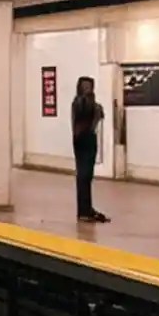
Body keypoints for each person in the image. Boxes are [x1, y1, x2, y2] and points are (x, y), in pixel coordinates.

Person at [71, 77, 110, 223]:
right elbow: (85, 113)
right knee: (83, 175)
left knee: (87, 176)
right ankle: (84, 210)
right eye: (85, 86)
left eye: (90, 86)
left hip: (89, 139)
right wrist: (95, 108)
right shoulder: (80, 102)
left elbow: (97, 118)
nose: (88, 89)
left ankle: (87, 208)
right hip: (82, 140)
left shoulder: (90, 102)